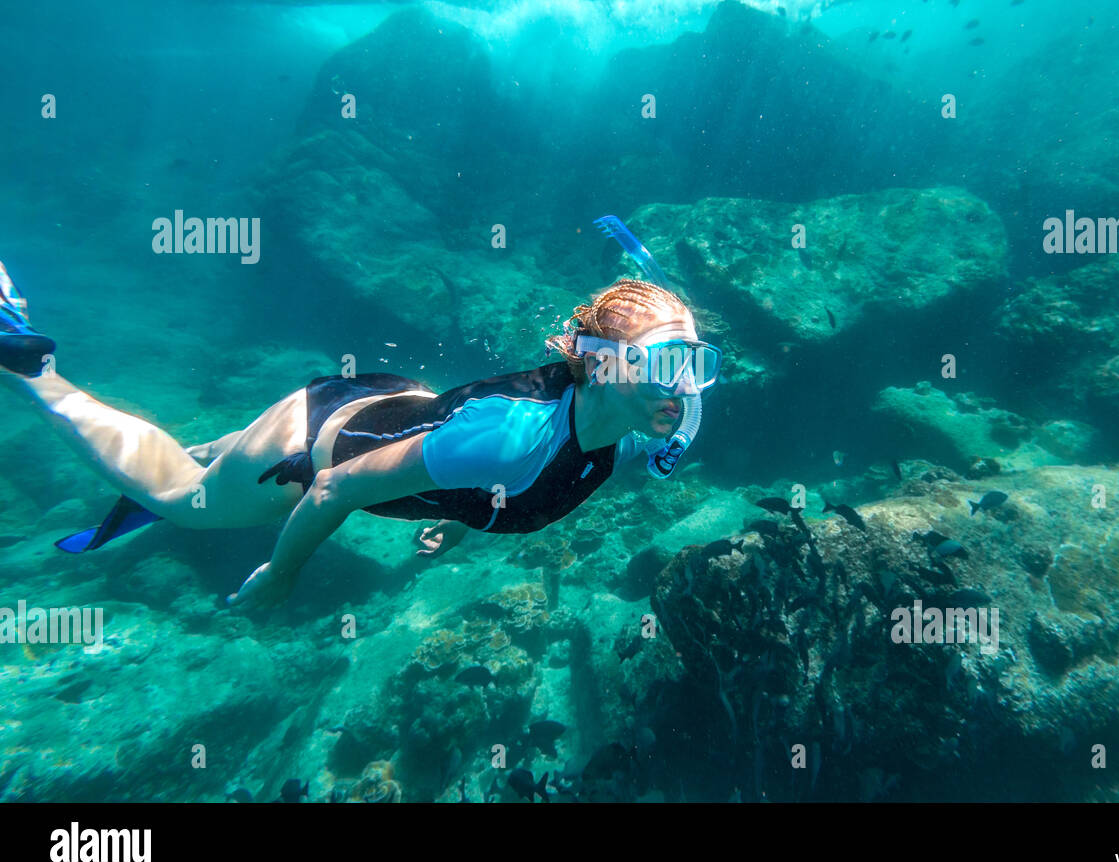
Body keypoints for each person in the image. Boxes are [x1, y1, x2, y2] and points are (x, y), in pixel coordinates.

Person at [0, 259, 721, 608]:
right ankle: (31, 365)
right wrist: (280, 575)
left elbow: (525, 472)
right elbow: (336, 489)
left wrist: (465, 517)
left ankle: (219, 454)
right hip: (317, 445)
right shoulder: (512, 438)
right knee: (179, 498)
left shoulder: (622, 428)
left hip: (391, 407)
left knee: (218, 463)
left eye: (694, 361)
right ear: (600, 364)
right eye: (666, 361)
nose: (685, 384)